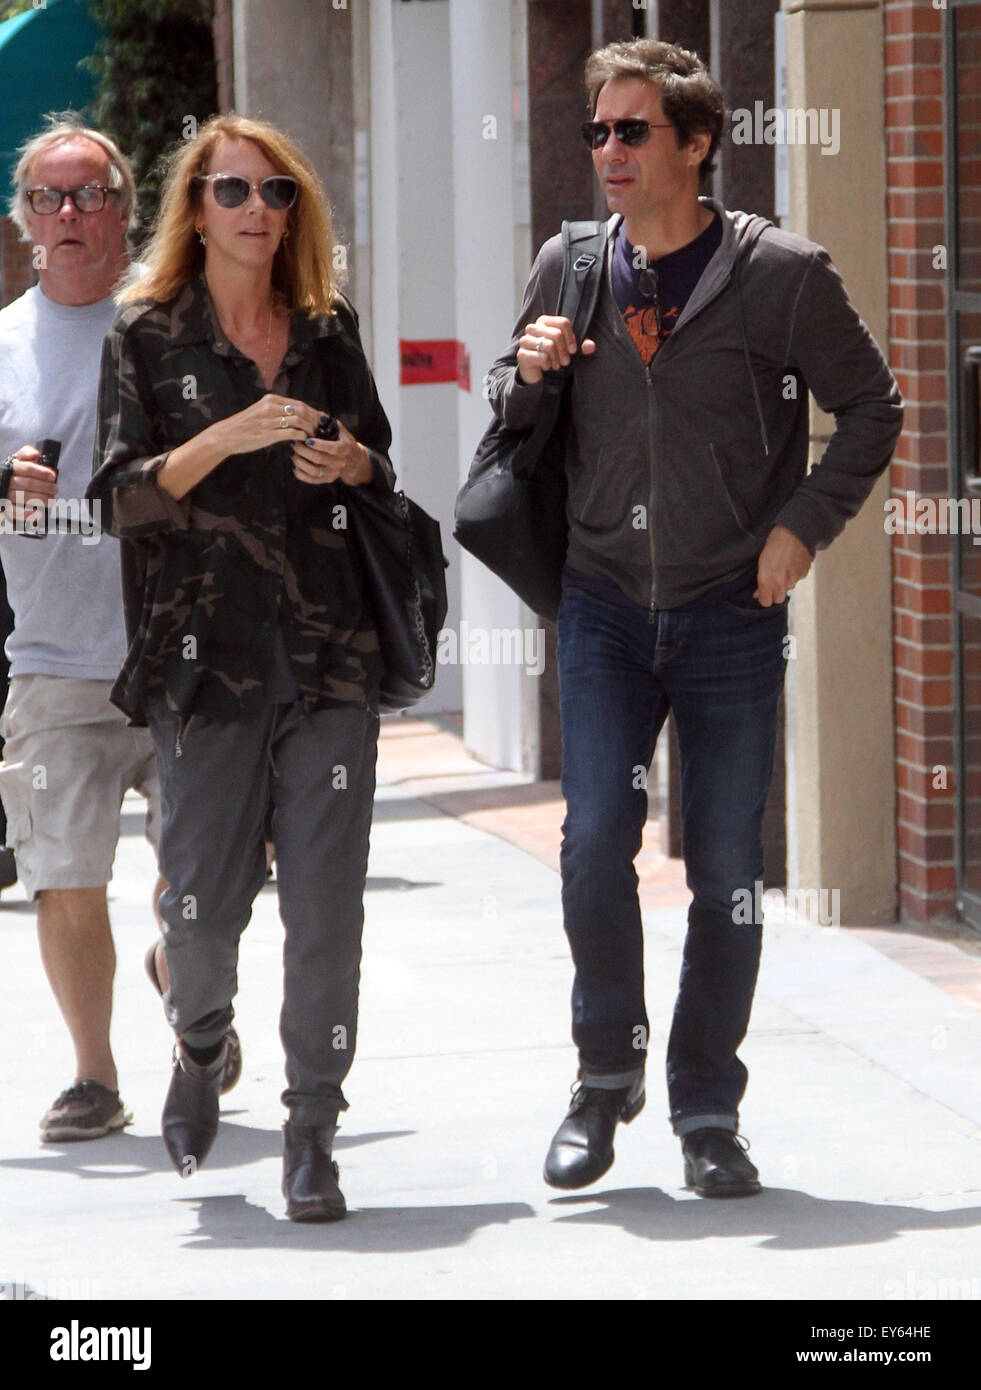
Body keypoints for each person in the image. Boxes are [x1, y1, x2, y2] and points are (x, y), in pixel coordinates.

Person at [485, 40, 903, 1197]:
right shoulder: (571, 266)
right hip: (605, 606)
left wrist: (801, 530)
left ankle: (707, 1106)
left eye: (633, 131)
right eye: (598, 133)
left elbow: (873, 406)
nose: (608, 153)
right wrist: (523, 370)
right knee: (588, 852)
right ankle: (602, 1073)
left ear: (696, 144)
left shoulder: (782, 275)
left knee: (725, 868)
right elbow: (508, 405)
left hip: (730, 609)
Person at [88, 114, 394, 1222]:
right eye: (233, 192)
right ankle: (198, 1037)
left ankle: (314, 1126)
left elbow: (379, 464)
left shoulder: (326, 327)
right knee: (202, 908)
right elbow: (118, 497)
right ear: (195, 210)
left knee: (325, 909)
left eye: (277, 195)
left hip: (329, 660)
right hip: (199, 661)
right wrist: (228, 436)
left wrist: (350, 457)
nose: (257, 212)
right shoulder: (147, 335)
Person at [0, 116, 178, 1142]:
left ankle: (185, 985)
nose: (68, 215)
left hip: (186, 653)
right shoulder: (8, 347)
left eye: (89, 195)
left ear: (123, 210)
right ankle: (96, 1076)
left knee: (205, 880)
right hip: (58, 665)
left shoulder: (171, 326)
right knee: (64, 873)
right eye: (47, 199)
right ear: (25, 221)